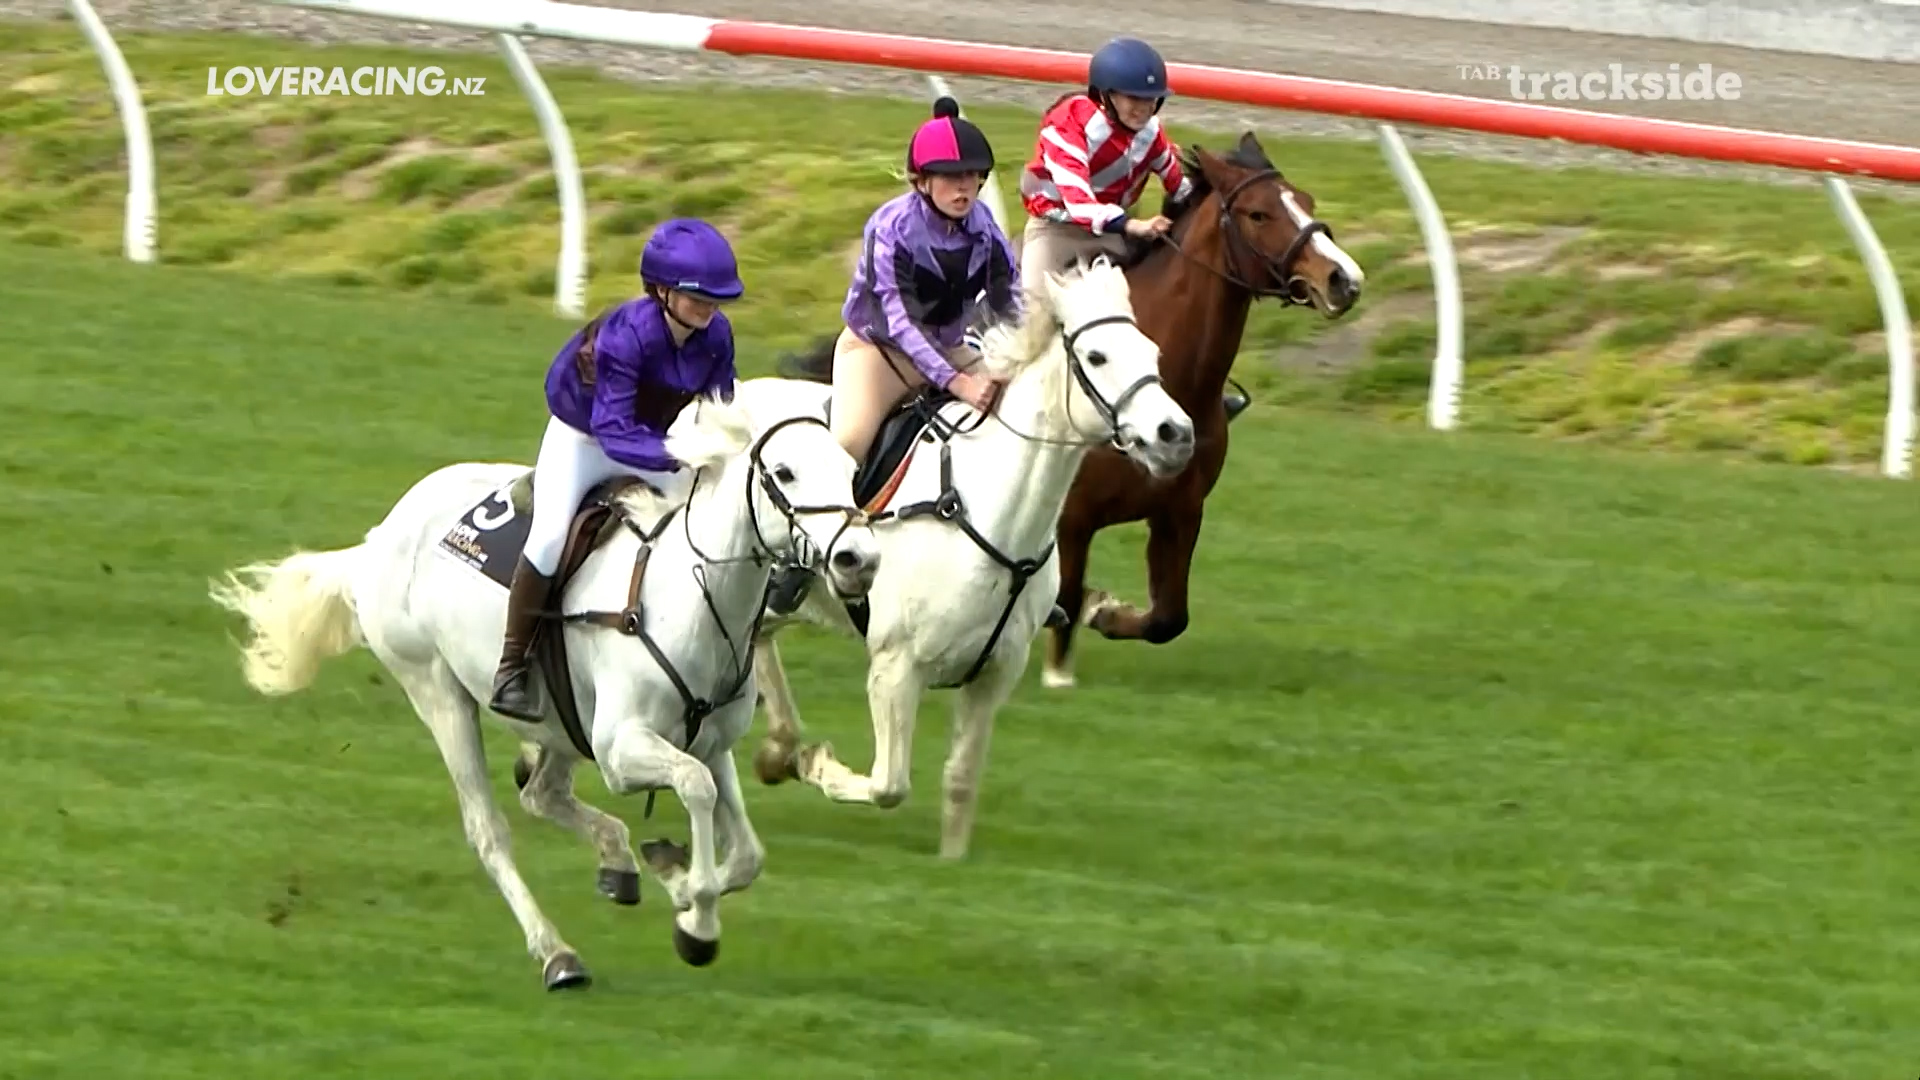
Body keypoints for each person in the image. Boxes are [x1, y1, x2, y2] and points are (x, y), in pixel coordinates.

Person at [763, 96, 1022, 616]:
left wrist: (1020, 356)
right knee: (846, 448)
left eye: (973, 177)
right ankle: (793, 562)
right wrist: (960, 383)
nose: (965, 188)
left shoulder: (986, 231)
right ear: (920, 181)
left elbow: (1010, 301)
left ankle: (1019, 566)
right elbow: (901, 324)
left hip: (948, 347)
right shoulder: (891, 228)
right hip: (878, 351)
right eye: (951, 178)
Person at [488, 217, 745, 721]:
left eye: (716, 299)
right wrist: (682, 453)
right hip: (585, 438)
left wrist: (728, 448)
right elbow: (614, 430)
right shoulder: (627, 334)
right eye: (699, 297)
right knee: (548, 539)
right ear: (662, 291)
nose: (709, 308)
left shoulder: (715, 335)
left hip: (655, 437)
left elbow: (722, 402)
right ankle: (512, 667)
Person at [1018, 36, 1249, 420]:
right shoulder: (1067, 125)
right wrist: (1134, 225)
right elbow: (1078, 202)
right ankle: (1009, 393)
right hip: (1057, 230)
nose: (1144, 108)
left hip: (1115, 231)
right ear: (1104, 95)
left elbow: (1180, 184)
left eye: (1151, 99)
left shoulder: (1150, 132)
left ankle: (1201, 393)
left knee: (1166, 296)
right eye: (1133, 98)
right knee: (1033, 314)